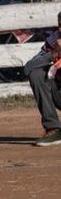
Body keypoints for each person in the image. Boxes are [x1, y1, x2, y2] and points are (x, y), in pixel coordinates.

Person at [25, 14, 61, 146]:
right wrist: (52, 54)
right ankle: (53, 128)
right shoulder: (53, 40)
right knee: (36, 74)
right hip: (58, 92)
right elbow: (28, 67)